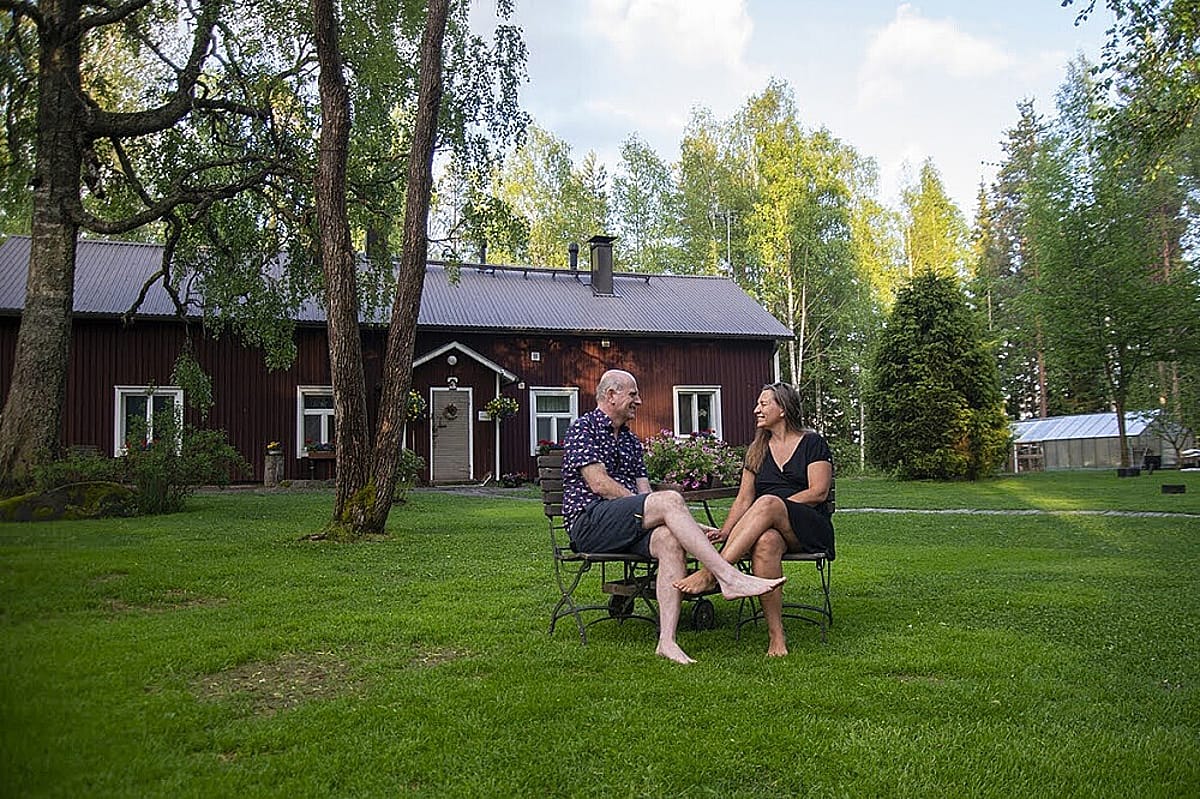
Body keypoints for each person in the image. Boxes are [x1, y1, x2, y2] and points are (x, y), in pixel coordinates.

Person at [562, 369, 786, 664]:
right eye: (633, 395)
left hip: (627, 524)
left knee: (669, 538)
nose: (639, 401)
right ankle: (727, 576)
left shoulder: (630, 440)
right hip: (590, 523)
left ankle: (666, 641)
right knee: (668, 499)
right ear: (611, 395)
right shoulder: (583, 428)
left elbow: (644, 491)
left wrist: (682, 524)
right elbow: (599, 484)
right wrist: (659, 507)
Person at [673, 382, 834, 657]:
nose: (756, 409)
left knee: (768, 502)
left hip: (809, 527)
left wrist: (776, 508)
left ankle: (713, 574)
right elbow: (743, 499)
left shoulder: (812, 442)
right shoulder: (757, 449)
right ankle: (776, 637)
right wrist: (726, 531)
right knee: (766, 542)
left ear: (783, 409)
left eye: (763, 404)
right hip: (771, 528)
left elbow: (818, 491)